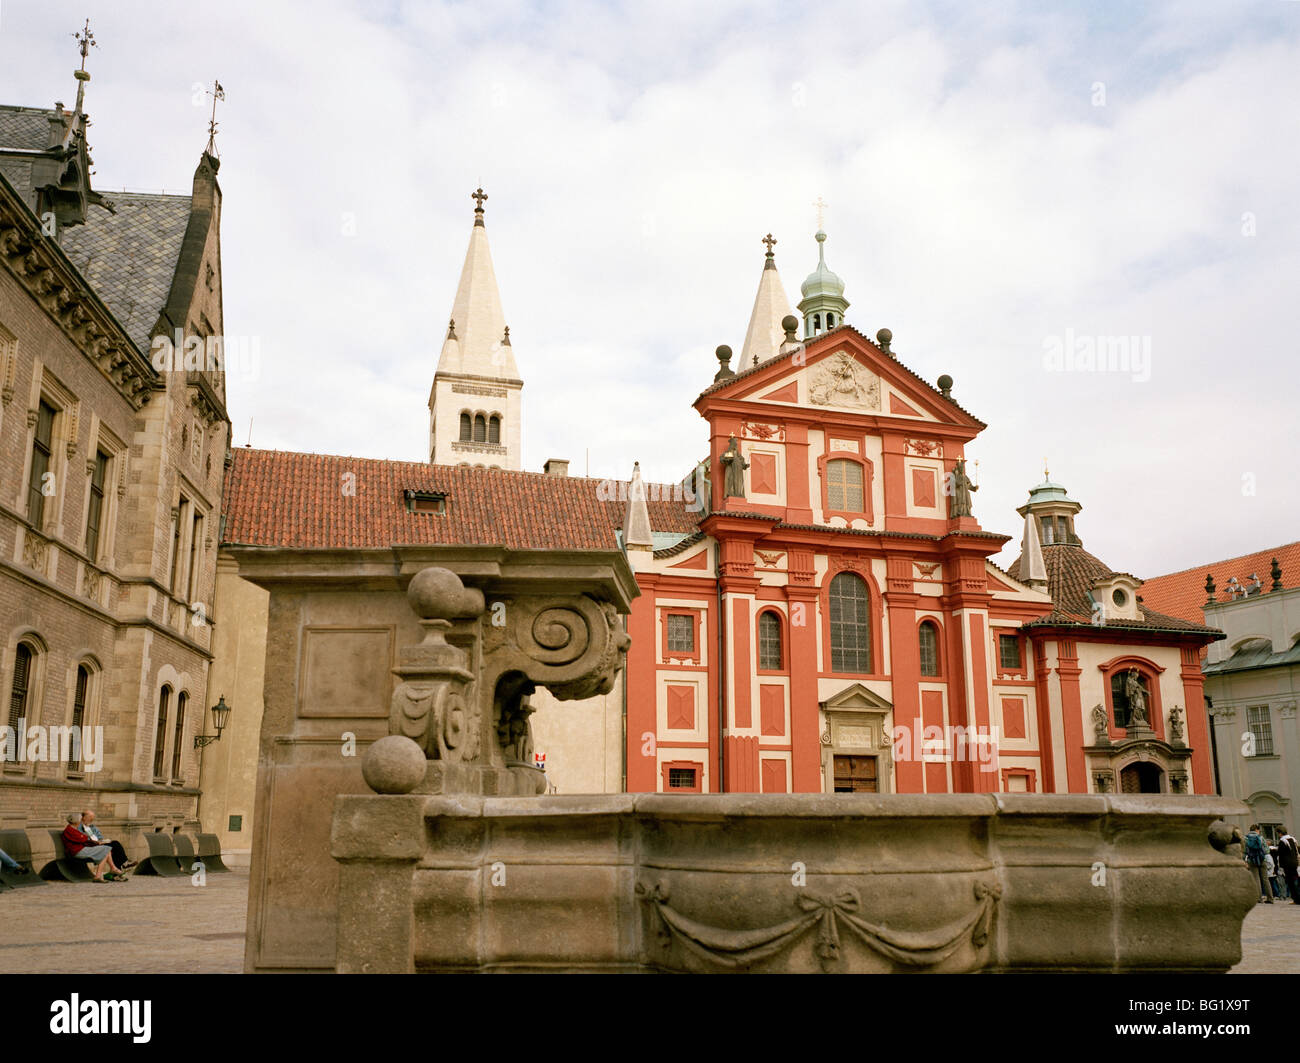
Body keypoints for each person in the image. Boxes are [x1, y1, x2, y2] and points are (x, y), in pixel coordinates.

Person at [61, 813, 122, 882]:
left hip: (81, 849)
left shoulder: (73, 829)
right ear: (76, 821)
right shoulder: (69, 830)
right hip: (77, 852)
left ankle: (101, 875)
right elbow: (82, 839)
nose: (81, 821)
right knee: (106, 849)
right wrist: (92, 841)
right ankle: (109, 870)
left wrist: (96, 843)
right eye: (80, 820)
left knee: (106, 850)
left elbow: (84, 839)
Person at [1244, 824, 1273, 903]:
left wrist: (1244, 860)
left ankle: (1258, 898)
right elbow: (1267, 850)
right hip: (1262, 859)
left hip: (1252, 860)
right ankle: (1270, 898)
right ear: (1257, 829)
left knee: (1256, 879)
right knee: (1265, 879)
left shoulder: (1245, 838)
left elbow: (1244, 851)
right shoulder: (1261, 837)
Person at [1277, 826, 1300, 904]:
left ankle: (1296, 899)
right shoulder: (1292, 839)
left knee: (1291, 882)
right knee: (1296, 881)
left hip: (1288, 864)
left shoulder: (1282, 841)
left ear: (1280, 833)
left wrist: (1281, 865)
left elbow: (1280, 853)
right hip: (1295, 862)